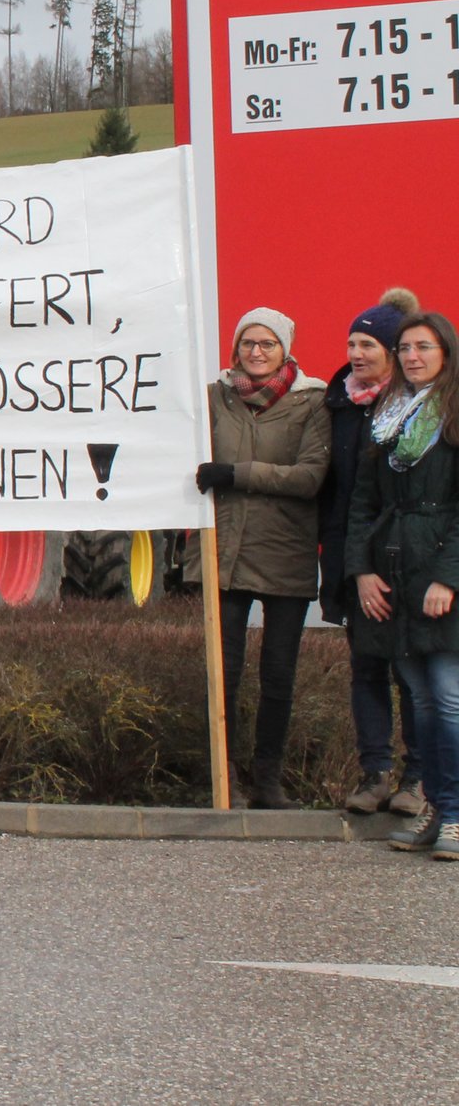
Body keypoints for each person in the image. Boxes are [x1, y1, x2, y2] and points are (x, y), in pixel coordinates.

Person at [196, 306, 330, 809]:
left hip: (286, 552)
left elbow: (309, 475)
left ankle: (268, 781)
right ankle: (223, 774)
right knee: (223, 672)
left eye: (267, 344)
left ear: (285, 350)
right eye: (248, 343)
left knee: (277, 675)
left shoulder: (311, 402)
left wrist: (236, 474)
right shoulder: (215, 397)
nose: (256, 352)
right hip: (226, 552)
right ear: (236, 350)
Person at [346, 312, 459, 858]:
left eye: (424, 347)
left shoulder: (453, 412)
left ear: (445, 352)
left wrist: (447, 578)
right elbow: (364, 504)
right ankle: (436, 813)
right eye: (406, 347)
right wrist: (361, 569)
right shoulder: (387, 417)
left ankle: (457, 816)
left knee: (449, 700)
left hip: (439, 575)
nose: (413, 356)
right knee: (419, 700)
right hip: (392, 572)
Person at [321, 289, 425, 816]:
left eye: (367, 344)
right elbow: (339, 492)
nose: (356, 353)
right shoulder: (338, 402)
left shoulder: (413, 408)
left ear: (392, 351)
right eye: (351, 342)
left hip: (402, 560)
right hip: (350, 557)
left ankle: (418, 780)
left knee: (411, 672)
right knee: (366, 669)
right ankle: (376, 773)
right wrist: (346, 566)